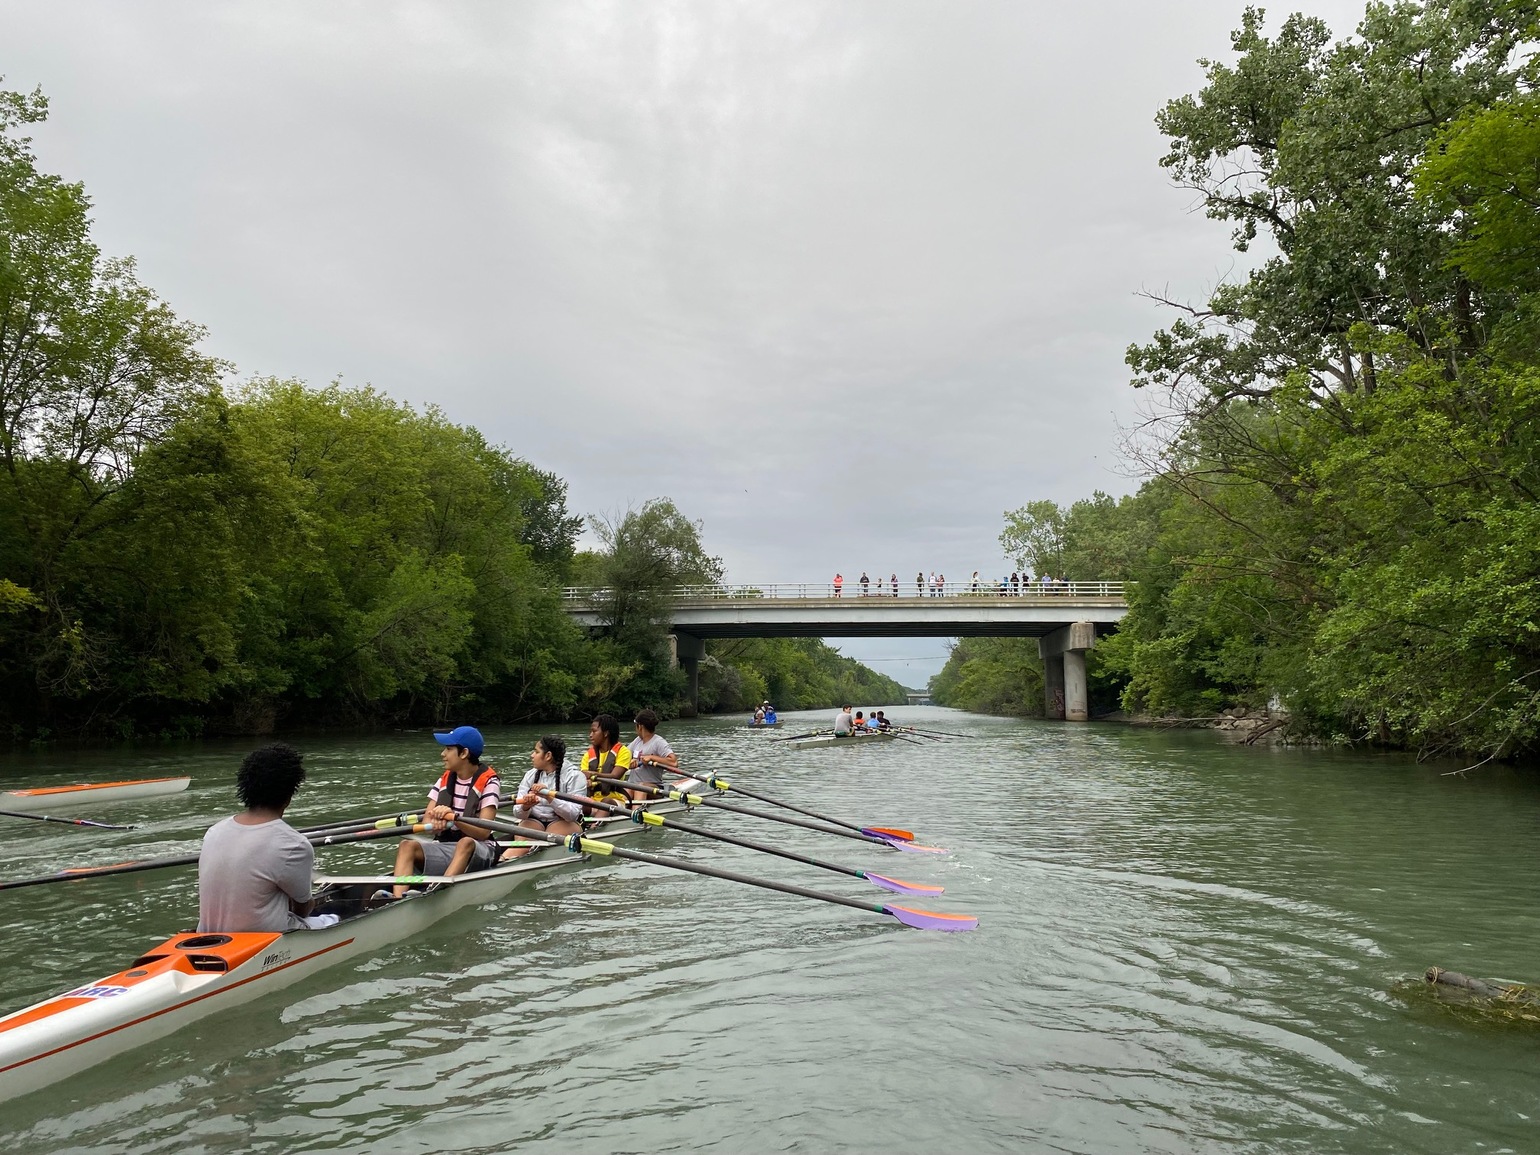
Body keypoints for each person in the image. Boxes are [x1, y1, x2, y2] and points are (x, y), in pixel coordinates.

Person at [199, 743, 337, 933]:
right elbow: (302, 909)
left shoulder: (214, 832)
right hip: (265, 942)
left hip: (208, 937)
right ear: (288, 797)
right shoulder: (294, 845)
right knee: (335, 917)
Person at [381, 725, 501, 899]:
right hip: (447, 845)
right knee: (407, 846)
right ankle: (398, 900)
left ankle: (436, 895)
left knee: (465, 842)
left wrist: (454, 818)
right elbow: (426, 824)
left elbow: (484, 832)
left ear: (464, 753)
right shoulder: (445, 779)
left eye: (448, 749)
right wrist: (435, 825)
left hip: (481, 849)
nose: (443, 754)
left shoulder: (490, 782)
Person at [500, 735, 587, 858]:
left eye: (536, 751)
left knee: (543, 844)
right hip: (534, 822)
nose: (532, 755)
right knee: (523, 842)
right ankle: (504, 859)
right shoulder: (530, 775)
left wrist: (549, 797)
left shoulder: (575, 776)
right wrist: (525, 806)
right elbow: (518, 814)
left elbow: (572, 814)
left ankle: (512, 858)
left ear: (548, 756)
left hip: (564, 823)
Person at [580, 713, 633, 814]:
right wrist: (586, 781)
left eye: (594, 731)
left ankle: (594, 828)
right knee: (578, 804)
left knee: (606, 803)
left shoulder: (623, 751)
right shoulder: (588, 755)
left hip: (615, 801)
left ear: (606, 733)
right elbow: (583, 775)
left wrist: (593, 774)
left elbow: (615, 775)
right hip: (593, 799)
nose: (590, 735)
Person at [627, 708, 678, 801]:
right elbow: (623, 757)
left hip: (653, 786)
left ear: (640, 727)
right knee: (623, 790)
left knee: (640, 788)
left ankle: (636, 813)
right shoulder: (637, 741)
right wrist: (628, 762)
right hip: (632, 785)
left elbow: (674, 762)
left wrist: (652, 757)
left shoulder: (658, 742)